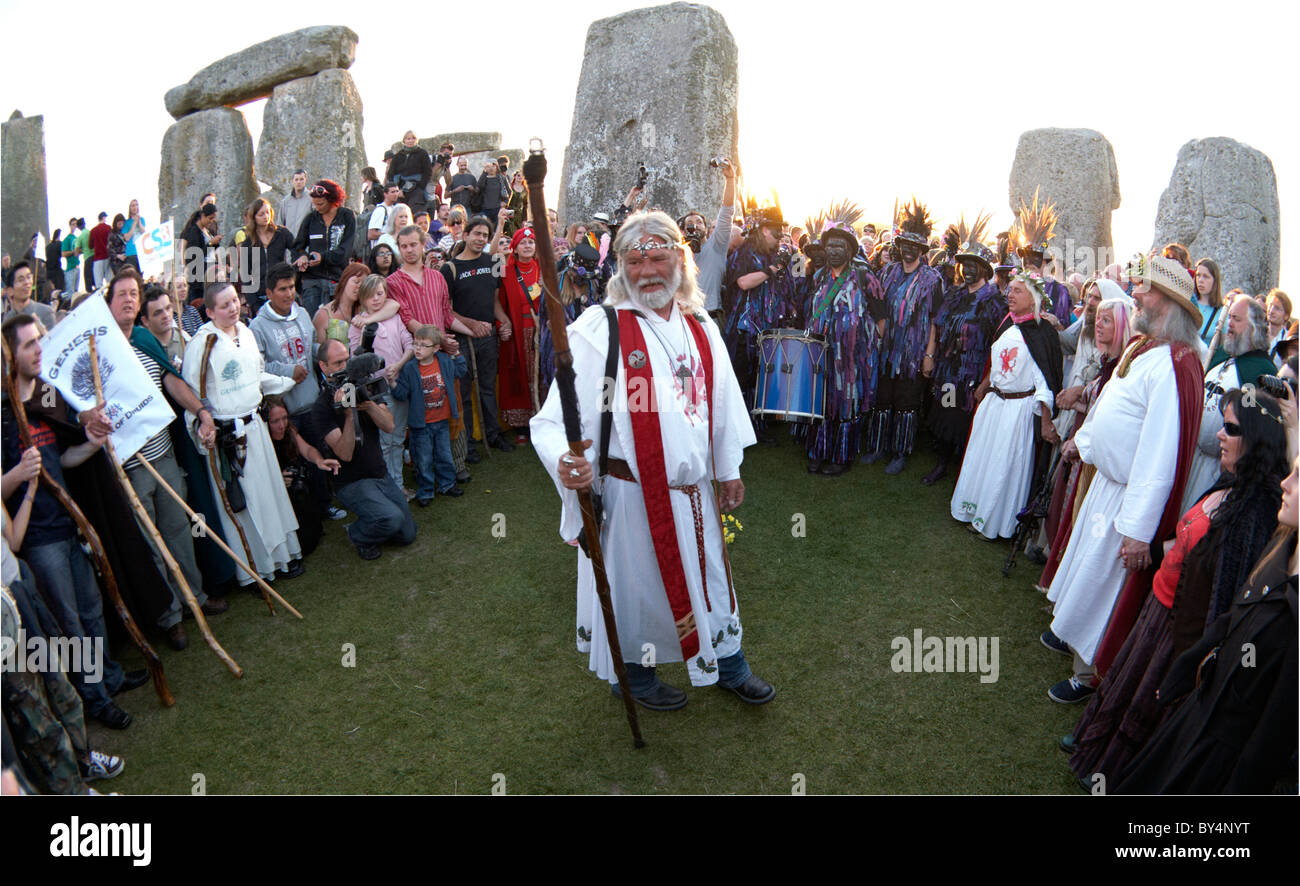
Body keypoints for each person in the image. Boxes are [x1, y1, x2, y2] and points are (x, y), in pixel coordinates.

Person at [530, 210, 775, 709]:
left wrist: (728, 469)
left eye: (658, 257)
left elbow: (721, 405)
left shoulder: (702, 325)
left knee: (711, 582)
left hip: (696, 493)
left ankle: (729, 663)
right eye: (634, 260)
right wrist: (565, 460)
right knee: (637, 591)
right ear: (619, 266)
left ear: (680, 260)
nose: (647, 271)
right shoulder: (602, 329)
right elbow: (556, 419)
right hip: (631, 495)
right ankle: (636, 679)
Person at [1064, 388, 1287, 788]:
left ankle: (1114, 774)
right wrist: (1152, 550)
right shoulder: (1230, 483)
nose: (1219, 434)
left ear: (1257, 440)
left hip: (1179, 628)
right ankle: (1095, 753)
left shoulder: (1256, 510)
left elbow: (1226, 595)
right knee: (1128, 687)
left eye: (1231, 428)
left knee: (1149, 702)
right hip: (1159, 607)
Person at [1044, 254, 1205, 704]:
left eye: (1146, 289)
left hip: (1129, 501)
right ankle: (1072, 638)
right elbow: (1110, 404)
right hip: (1106, 485)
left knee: (1104, 585)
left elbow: (1160, 454)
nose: (1135, 293)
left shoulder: (1177, 363)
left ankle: (1090, 674)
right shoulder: (1144, 349)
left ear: (1169, 305)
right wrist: (1087, 443)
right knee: (1085, 569)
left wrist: (1137, 532)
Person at [1, 315, 143, 729]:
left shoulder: (46, 396)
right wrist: (17, 476)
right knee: (69, 623)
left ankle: (109, 678)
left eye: (39, 339)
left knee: (92, 609)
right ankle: (95, 700)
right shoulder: (5, 415)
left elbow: (61, 459)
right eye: (28, 344)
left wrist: (92, 444)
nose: (38, 348)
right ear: (12, 354)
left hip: (69, 523)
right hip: (38, 538)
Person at [100, 271, 230, 650]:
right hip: (131, 467)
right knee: (151, 542)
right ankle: (170, 614)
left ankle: (195, 597)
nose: (128, 299)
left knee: (180, 532)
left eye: (133, 294)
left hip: (165, 457)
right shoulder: (101, 353)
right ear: (109, 304)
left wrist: (202, 411)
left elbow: (171, 380)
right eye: (121, 294)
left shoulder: (144, 343)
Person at [182, 282, 303, 586]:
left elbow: (256, 378)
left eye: (235, 301)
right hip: (229, 435)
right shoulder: (202, 343)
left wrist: (286, 381)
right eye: (224, 305)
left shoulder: (246, 333)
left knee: (270, 495)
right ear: (209, 311)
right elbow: (193, 395)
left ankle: (284, 557)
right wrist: (203, 427)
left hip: (256, 427)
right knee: (244, 503)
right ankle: (256, 571)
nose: (233, 308)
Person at [950, 272, 1062, 538]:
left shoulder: (1043, 333)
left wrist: (1046, 421)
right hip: (994, 406)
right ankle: (970, 508)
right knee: (982, 458)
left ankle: (993, 521)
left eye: (1018, 291)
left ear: (1033, 300)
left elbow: (1045, 382)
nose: (1010, 295)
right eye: (1010, 290)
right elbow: (996, 361)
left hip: (1017, 411)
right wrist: (985, 384)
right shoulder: (1007, 324)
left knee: (1003, 465)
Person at [1039, 290, 1137, 590]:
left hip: (1093, 454)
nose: (1099, 325)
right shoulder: (1107, 362)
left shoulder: (1122, 367)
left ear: (1121, 327)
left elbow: (1107, 410)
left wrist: (1079, 397)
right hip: (1080, 438)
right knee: (1062, 502)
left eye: (1107, 321)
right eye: (1099, 320)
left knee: (1077, 511)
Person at [310, 339, 416, 560]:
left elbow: (389, 425)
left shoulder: (364, 385)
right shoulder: (321, 407)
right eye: (338, 363)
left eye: (347, 360)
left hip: (379, 473)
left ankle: (377, 520)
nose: (344, 367)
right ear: (324, 366)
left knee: (407, 534)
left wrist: (367, 404)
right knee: (391, 519)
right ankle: (358, 534)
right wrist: (349, 414)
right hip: (352, 483)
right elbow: (345, 453)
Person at [800, 209, 885, 476]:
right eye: (830, 246)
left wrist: (870, 350)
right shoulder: (819, 277)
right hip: (821, 354)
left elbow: (881, 317)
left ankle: (842, 456)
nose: (834, 250)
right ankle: (818, 451)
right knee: (822, 400)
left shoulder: (864, 276)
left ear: (850, 250)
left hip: (851, 359)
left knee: (846, 403)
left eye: (840, 246)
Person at [863, 198, 945, 474]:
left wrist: (929, 355)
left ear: (922, 250)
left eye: (915, 246)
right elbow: (878, 309)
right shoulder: (888, 272)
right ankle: (878, 447)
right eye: (905, 245)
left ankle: (900, 452)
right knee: (882, 399)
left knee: (906, 403)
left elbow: (936, 320)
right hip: (887, 349)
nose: (909, 250)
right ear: (899, 247)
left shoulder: (933, 280)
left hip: (914, 353)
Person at [922, 227, 1004, 485]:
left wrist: (986, 380)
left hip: (973, 372)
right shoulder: (954, 294)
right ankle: (942, 463)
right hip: (947, 370)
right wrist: (929, 355)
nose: (967, 269)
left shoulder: (994, 302)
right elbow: (937, 323)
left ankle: (965, 471)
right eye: (965, 264)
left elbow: (998, 344)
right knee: (946, 414)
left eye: (974, 265)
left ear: (985, 271)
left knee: (966, 419)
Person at [1183, 295, 1277, 513]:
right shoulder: (1222, 355)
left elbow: (1254, 428)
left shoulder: (1261, 372)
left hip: (1220, 471)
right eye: (1229, 318)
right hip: (1191, 458)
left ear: (1253, 328)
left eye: (1236, 319)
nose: (1229, 325)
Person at [722, 200, 796, 444]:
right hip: (744, 331)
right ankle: (738, 431)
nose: (779, 238)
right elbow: (743, 283)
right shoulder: (745, 253)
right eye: (776, 233)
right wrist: (774, 268)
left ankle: (756, 429)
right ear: (764, 230)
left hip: (764, 331)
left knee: (758, 379)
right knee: (742, 380)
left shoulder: (770, 254)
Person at [443, 215, 514, 457]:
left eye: (485, 235)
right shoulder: (450, 268)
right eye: (477, 234)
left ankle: (493, 435)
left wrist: (504, 322)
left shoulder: (492, 261)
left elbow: (495, 301)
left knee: (487, 388)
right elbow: (446, 309)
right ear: (465, 235)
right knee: (464, 393)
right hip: (462, 339)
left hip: (488, 337)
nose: (480, 239)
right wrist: (471, 324)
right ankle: (469, 445)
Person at [350, 274, 414, 494]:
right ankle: (391, 486)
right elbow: (356, 358)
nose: (376, 299)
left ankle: (398, 482)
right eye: (371, 295)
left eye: (380, 294)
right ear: (363, 298)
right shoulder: (358, 324)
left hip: (398, 384)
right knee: (386, 441)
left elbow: (409, 344)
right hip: (378, 390)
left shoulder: (394, 317)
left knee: (398, 439)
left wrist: (399, 364)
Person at [391, 325, 466, 505]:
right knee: (423, 459)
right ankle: (425, 491)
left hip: (441, 421)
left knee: (444, 455)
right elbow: (401, 393)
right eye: (416, 344)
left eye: (424, 345)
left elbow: (460, 371)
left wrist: (457, 354)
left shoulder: (445, 362)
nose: (418, 348)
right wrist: (392, 382)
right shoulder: (409, 369)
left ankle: (447, 484)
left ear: (436, 348)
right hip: (421, 425)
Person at [263, 395, 338, 560]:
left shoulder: (289, 431)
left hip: (295, 492)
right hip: (273, 499)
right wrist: (277, 480)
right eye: (275, 421)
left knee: (311, 537)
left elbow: (307, 449)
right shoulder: (261, 441)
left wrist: (319, 460)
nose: (281, 425)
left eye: (284, 419)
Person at [496, 224, 542, 441]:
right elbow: (497, 302)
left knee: (541, 374)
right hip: (516, 332)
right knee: (520, 375)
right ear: (514, 248)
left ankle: (542, 419)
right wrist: (502, 325)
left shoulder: (543, 270)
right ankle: (522, 425)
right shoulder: (505, 272)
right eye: (522, 242)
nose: (527, 245)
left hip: (540, 332)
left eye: (531, 241)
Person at [291, 179, 357, 318]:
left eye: (320, 204)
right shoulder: (310, 219)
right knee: (312, 321)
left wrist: (323, 257)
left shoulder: (347, 216)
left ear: (332, 200)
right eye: (314, 204)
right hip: (312, 280)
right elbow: (297, 246)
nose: (317, 208)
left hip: (337, 278)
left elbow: (346, 250)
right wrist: (301, 256)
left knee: (336, 324)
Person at [682, 158, 737, 317]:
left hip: (711, 317)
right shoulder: (679, 253)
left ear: (706, 229)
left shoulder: (716, 245)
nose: (695, 226)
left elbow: (727, 212)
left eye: (699, 222)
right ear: (684, 231)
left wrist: (730, 179)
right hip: (685, 317)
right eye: (690, 224)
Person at [1012, 190, 1071, 326]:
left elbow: (1065, 328)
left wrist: (1056, 323)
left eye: (1035, 258)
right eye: (1025, 258)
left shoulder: (1059, 291)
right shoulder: (1016, 289)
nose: (1029, 263)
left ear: (1045, 262)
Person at [232, 198, 294, 313]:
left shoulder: (282, 233)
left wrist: (293, 273)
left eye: (268, 212)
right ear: (254, 217)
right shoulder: (248, 243)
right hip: (260, 295)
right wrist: (253, 304)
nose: (266, 216)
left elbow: (297, 249)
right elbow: (245, 276)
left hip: (281, 291)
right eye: (261, 214)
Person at [389, 132, 432, 215]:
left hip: (416, 189)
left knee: (416, 213)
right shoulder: (398, 156)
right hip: (400, 188)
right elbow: (391, 174)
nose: (411, 140)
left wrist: (420, 187)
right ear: (404, 141)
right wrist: (397, 190)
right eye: (408, 139)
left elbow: (427, 172)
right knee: (400, 214)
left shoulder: (422, 153)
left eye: (413, 138)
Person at [2, 262, 55, 328]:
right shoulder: (7, 321)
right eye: (21, 280)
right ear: (10, 291)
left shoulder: (45, 313)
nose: (27, 282)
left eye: (29, 277)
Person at [1192, 257, 1224, 345]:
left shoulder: (1222, 312)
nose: (1200, 280)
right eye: (1198, 275)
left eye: (1206, 276)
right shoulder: (1189, 304)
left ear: (1215, 281)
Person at [367, 182, 403, 247]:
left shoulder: (394, 209)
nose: (395, 194)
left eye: (397, 191)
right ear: (385, 194)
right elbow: (371, 234)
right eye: (392, 192)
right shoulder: (380, 210)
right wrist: (390, 235)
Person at [279, 170, 311, 240]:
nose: (299, 182)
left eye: (301, 179)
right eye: (296, 179)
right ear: (292, 181)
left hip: (305, 244)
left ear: (305, 180)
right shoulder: (285, 201)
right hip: (289, 244)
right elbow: (280, 224)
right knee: (253, 250)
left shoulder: (311, 199)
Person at [1265, 289, 1292, 366]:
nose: (1271, 310)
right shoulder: (1258, 334)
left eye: (1277, 308)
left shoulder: (1287, 340)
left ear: (1286, 316)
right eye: (1270, 305)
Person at [121, 199, 145, 273]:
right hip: (131, 252)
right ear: (130, 208)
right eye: (133, 205)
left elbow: (143, 232)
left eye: (136, 205)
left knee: (140, 275)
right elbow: (127, 237)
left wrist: (139, 221)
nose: (135, 207)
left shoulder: (142, 219)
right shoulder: (127, 222)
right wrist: (134, 223)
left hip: (141, 251)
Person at [88, 213, 111, 288]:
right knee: (110, 282)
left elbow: (90, 246)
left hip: (98, 258)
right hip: (107, 257)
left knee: (98, 284)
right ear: (103, 218)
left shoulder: (93, 230)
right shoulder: (109, 228)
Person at [61, 220, 81, 297]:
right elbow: (63, 253)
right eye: (73, 224)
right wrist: (73, 252)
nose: (74, 226)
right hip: (70, 268)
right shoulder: (67, 239)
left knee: (76, 292)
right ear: (70, 225)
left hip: (77, 266)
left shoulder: (77, 238)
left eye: (76, 224)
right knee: (70, 293)